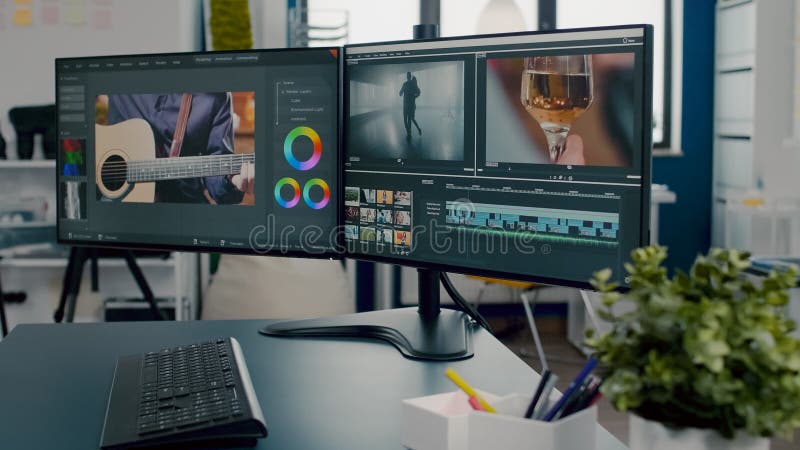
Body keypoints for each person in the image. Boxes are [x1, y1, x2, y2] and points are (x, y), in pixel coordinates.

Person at [106, 93, 254, 204]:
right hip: (121, 215)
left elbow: (217, 173)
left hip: (185, 211)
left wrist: (232, 179)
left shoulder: (215, 95)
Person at [399, 72, 422, 139]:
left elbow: (400, 93)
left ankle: (409, 132)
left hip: (406, 105)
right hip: (410, 105)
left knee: (406, 120)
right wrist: (415, 97)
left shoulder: (405, 84)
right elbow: (419, 92)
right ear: (410, 76)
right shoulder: (412, 84)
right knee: (410, 119)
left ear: (407, 76)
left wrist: (401, 93)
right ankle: (410, 131)